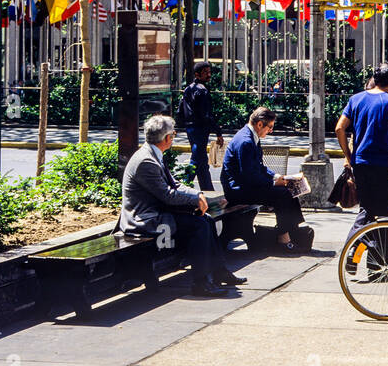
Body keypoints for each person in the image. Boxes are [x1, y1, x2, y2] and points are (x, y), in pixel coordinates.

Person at [119, 115, 243, 298]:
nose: (175, 136)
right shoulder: (146, 161)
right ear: (167, 138)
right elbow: (167, 196)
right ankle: (201, 283)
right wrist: (195, 199)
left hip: (158, 213)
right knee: (199, 225)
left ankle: (219, 271)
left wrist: (197, 195)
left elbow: (174, 184)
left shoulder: (153, 154)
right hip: (146, 221)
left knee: (206, 220)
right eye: (174, 134)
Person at [335, 63, 388, 262]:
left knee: (367, 210)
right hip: (382, 164)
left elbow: (339, 129)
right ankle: (376, 264)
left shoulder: (356, 99)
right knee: (383, 215)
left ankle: (355, 252)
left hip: (360, 163)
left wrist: (349, 155)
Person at [220, 107, 314, 251]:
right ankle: (284, 238)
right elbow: (249, 175)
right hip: (238, 190)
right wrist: (273, 183)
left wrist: (278, 177)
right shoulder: (245, 142)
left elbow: (260, 168)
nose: (270, 131)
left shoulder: (252, 137)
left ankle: (291, 231)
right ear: (259, 125)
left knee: (289, 190)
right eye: (269, 127)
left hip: (246, 186)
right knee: (283, 194)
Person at [176, 60, 222, 191]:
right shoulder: (202, 92)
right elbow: (206, 115)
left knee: (201, 162)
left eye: (209, 72)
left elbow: (180, 111)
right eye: (205, 72)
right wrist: (218, 132)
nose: (209, 75)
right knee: (196, 161)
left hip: (190, 128)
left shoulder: (188, 89)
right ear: (197, 74)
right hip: (200, 129)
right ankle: (182, 188)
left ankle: (208, 191)